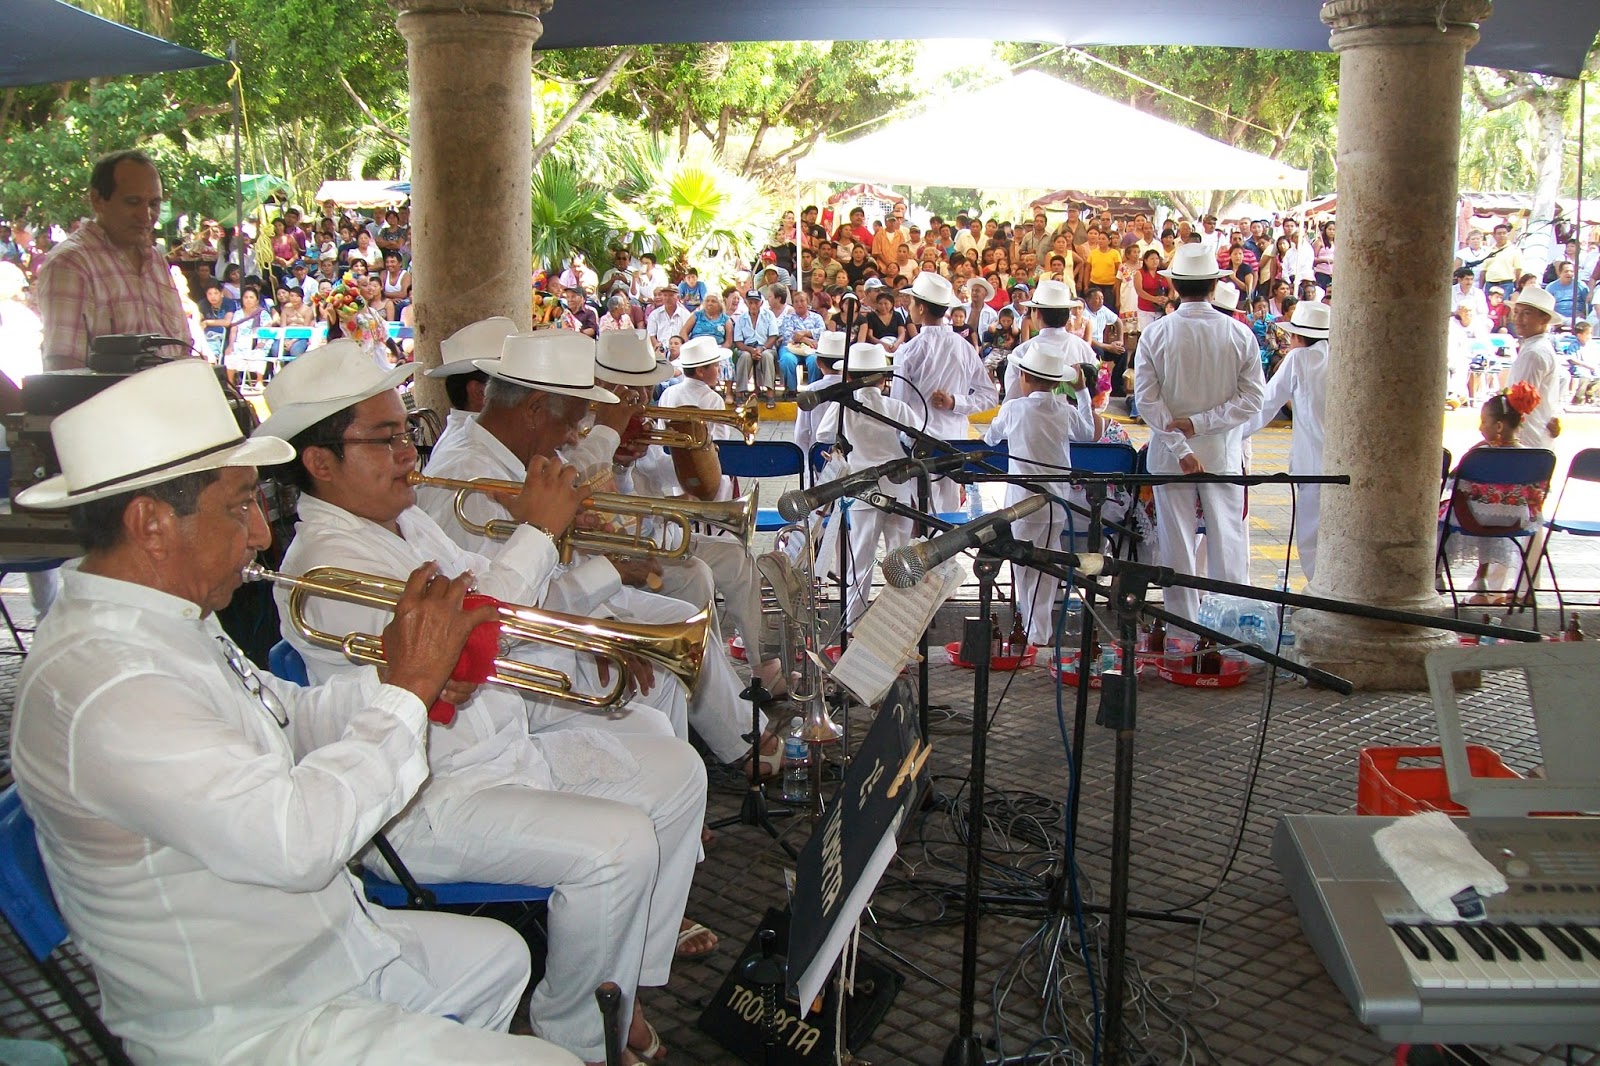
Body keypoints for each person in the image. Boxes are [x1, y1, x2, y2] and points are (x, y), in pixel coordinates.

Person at [11, 359, 580, 1066]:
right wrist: (405, 693)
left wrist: (408, 689)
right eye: (237, 506)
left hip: (311, 945)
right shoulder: (107, 684)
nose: (259, 533)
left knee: (497, 957)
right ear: (152, 524)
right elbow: (299, 844)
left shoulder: (164, 622)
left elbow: (286, 714)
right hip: (248, 1016)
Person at [259, 343, 705, 1065]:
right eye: (386, 439)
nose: (410, 452)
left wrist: (579, 601)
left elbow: (488, 596)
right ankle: (576, 1028)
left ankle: (619, 989)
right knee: (619, 846)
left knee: (676, 771)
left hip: (500, 751)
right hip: (426, 800)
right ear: (320, 462)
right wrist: (538, 532)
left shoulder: (403, 523)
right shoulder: (325, 566)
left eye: (406, 431)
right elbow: (473, 638)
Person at [1132, 244, 1266, 625]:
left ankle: (1184, 631)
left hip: (1170, 458)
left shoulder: (1155, 334)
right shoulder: (1238, 335)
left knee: (1177, 546)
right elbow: (1253, 400)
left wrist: (1181, 443)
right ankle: (1230, 628)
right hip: (1221, 455)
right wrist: (1202, 425)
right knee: (1228, 543)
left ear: (1173, 285)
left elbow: (1147, 401)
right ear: (1213, 286)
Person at [35, 150, 192, 368]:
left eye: (154, 204)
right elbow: (64, 372)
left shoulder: (155, 260)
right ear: (97, 200)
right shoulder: (71, 264)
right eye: (133, 202)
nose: (146, 215)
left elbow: (182, 348)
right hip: (110, 402)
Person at [983, 344, 1082, 646]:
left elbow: (990, 437)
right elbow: (1089, 432)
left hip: (1021, 505)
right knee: (1047, 563)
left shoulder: (1014, 408)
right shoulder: (1066, 410)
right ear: (1056, 381)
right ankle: (1039, 631)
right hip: (1056, 502)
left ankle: (1029, 628)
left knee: (1022, 566)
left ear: (1024, 376)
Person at [816, 342, 920, 626]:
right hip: (897, 488)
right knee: (901, 557)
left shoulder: (843, 408)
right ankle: (900, 623)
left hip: (863, 490)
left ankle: (853, 622)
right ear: (884, 377)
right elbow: (917, 439)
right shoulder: (896, 407)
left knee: (861, 557)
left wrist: (845, 440)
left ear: (850, 378)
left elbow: (823, 434)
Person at [890, 273, 998, 512]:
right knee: (946, 516)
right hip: (953, 444)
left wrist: (953, 403)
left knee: (918, 515)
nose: (909, 307)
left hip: (917, 444)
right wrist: (956, 403)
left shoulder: (908, 351)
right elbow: (989, 395)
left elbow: (898, 407)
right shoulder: (963, 347)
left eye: (912, 302)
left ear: (920, 307)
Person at [1241, 303, 1329, 581]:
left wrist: (1231, 434)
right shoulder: (1342, 357)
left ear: (1299, 338)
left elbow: (1266, 405)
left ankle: (1321, 594)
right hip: (1344, 464)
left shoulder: (1300, 359)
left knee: (1311, 535)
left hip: (1313, 463)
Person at [1442, 384, 1547, 605]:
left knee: (1443, 516)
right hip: (1516, 519)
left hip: (1474, 519)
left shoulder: (1480, 454)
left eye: (1484, 421)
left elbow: (1454, 482)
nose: (1481, 426)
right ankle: (1481, 578)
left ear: (1498, 426)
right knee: (1490, 510)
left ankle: (1436, 573)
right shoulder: (1535, 457)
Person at [1505, 286, 1563, 449]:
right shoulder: (1538, 347)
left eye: (1527, 313)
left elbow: (1520, 403)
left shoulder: (1534, 352)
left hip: (1525, 442)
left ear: (1544, 319)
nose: (1518, 318)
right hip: (1536, 439)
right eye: (1516, 312)